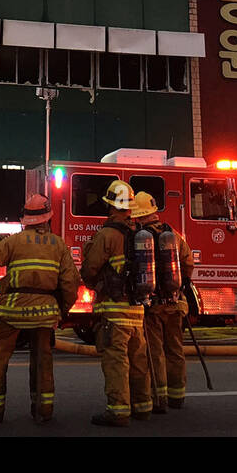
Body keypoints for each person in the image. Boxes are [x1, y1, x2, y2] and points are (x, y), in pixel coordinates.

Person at [0, 195, 80, 424]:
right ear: (48, 218)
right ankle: (43, 410)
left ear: (26, 219)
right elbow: (70, 283)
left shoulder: (14, 241)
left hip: (13, 310)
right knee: (43, 359)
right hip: (45, 312)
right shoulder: (58, 244)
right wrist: (61, 310)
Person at [80, 179, 153, 426]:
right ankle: (143, 406)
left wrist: (92, 281)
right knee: (138, 360)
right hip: (137, 308)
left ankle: (118, 411)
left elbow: (90, 269)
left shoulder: (107, 235)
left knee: (116, 361)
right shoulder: (139, 235)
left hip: (114, 311)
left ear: (110, 206)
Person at [132, 191, 194, 412]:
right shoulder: (173, 234)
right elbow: (188, 264)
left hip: (153, 306)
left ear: (138, 214)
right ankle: (178, 396)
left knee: (155, 352)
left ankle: (160, 399)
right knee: (175, 349)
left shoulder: (139, 237)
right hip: (176, 303)